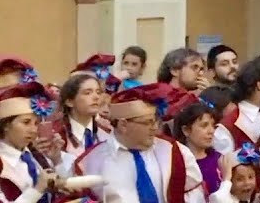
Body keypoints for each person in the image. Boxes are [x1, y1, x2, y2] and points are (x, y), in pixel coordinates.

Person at [72, 82, 206, 203]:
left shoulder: (174, 151)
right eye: (147, 122)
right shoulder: (90, 162)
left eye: (155, 121)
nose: (154, 128)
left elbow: (195, 196)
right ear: (123, 125)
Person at [0, 82, 58, 203]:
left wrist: (56, 160)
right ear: (6, 125)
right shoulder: (1, 164)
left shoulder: (36, 156)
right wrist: (37, 190)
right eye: (26, 122)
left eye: (36, 123)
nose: (34, 130)